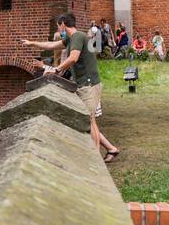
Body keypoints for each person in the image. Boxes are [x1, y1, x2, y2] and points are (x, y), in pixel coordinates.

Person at [23, 13, 121, 163]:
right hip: (83, 84)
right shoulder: (71, 38)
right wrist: (32, 43)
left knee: (89, 120)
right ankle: (111, 149)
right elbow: (52, 45)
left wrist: (56, 69)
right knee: (88, 119)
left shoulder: (78, 37)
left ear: (62, 24)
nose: (59, 28)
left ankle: (94, 160)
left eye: (58, 26)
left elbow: (73, 57)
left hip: (89, 84)